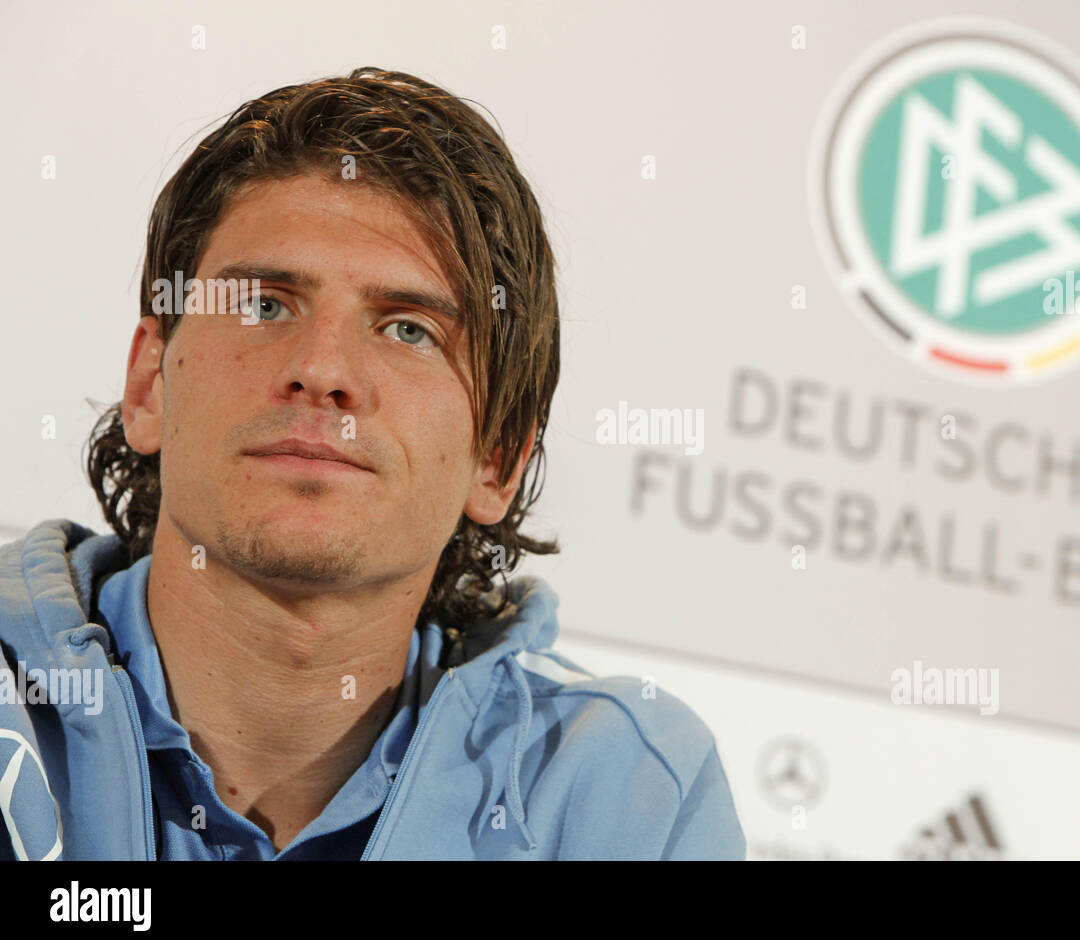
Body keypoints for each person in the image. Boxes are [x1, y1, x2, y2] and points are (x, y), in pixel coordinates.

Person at [0, 67, 746, 860]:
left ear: (496, 458)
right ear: (150, 383)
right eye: (264, 305)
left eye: (408, 329)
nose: (322, 368)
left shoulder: (622, 794)